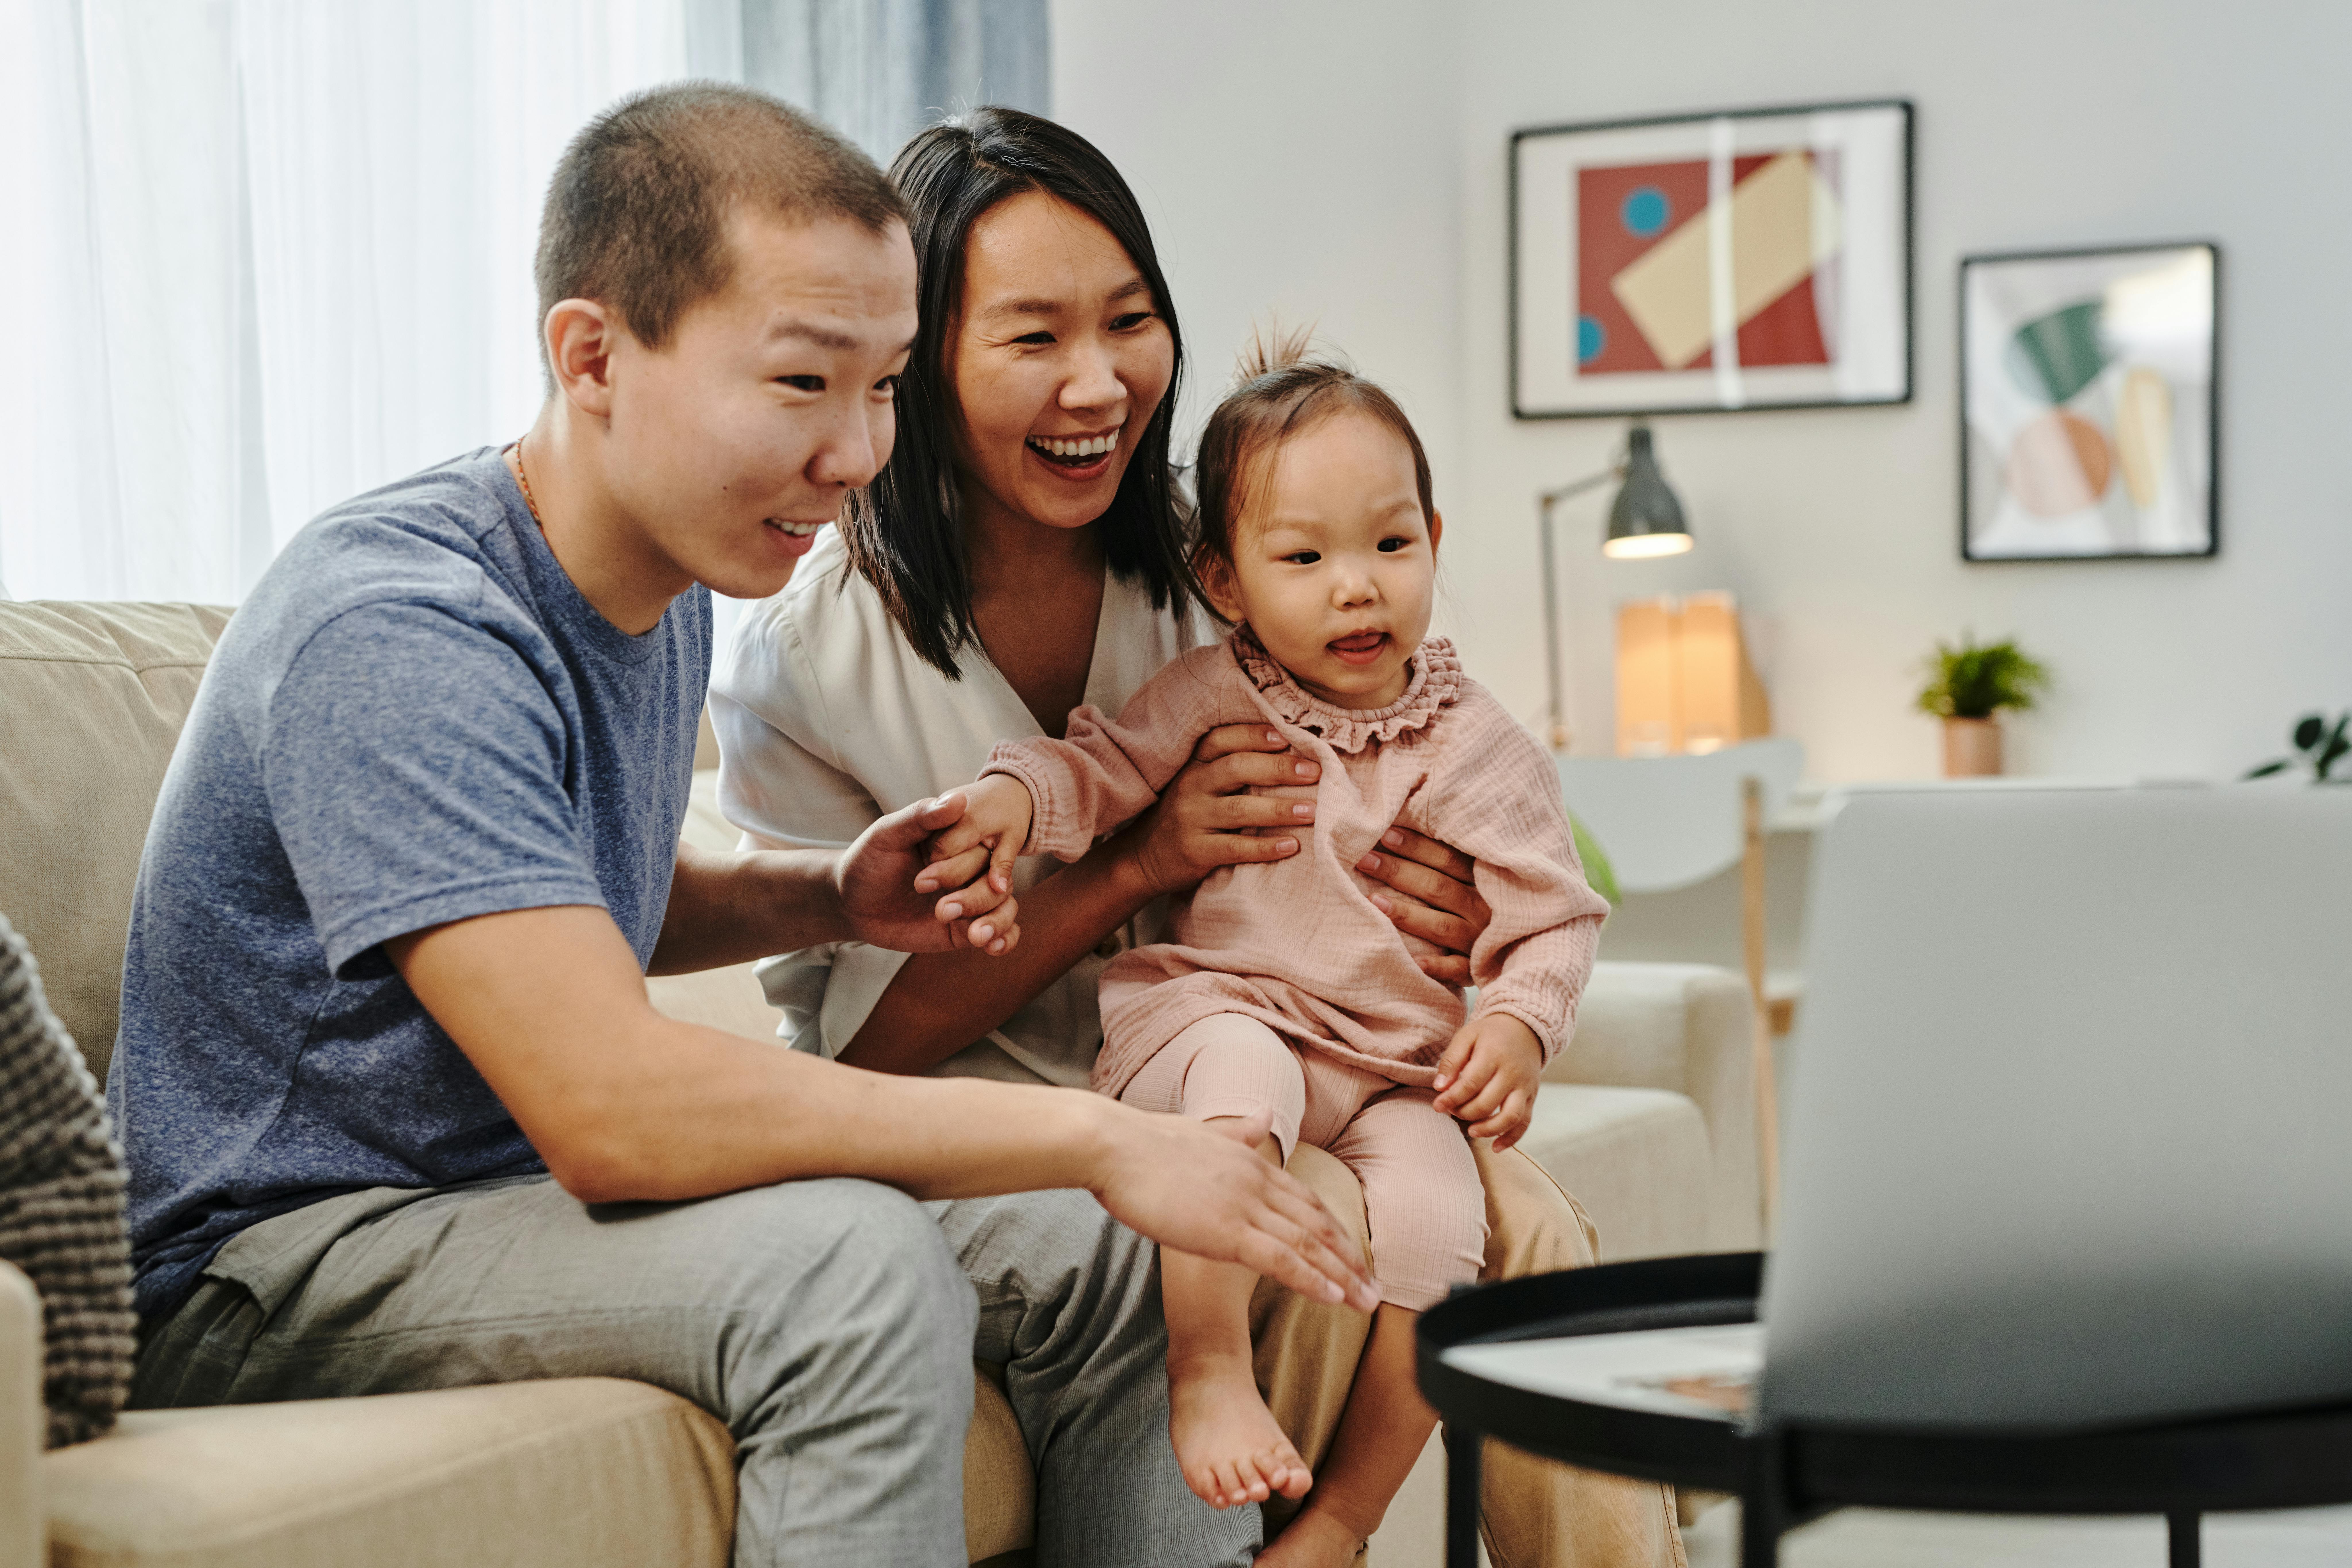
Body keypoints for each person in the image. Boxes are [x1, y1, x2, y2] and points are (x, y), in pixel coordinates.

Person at [107, 83, 1373, 1568]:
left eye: (886, 384)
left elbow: (556, 898)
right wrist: (1097, 1132)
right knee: (852, 1265)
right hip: (275, 1259)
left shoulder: (674, 576)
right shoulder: (400, 623)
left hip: (488, 1202)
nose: (857, 452)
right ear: (592, 355)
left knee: (1118, 1262)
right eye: (802, 383)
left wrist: (826, 892)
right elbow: (614, 1109)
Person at [711, 105, 1686, 1566]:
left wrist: (1437, 922)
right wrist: (1135, 860)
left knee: (1521, 1227)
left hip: (1305, 1056)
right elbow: (867, 1067)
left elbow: (1442, 793)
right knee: (1274, 1202)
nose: (1097, 382)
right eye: (1031, 336)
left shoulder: (1235, 555)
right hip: (1019, 1128)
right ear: (917, 359)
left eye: (1130, 321)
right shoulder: (816, 662)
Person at [924, 336, 1611, 1564]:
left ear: (1434, 540)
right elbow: (1093, 770)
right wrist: (1010, 805)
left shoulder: (1474, 743)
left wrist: (1513, 1021)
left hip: (1392, 1069)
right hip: (1213, 1019)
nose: (1357, 589)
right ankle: (1204, 1368)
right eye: (1303, 558)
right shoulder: (1209, 693)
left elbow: (1551, 913)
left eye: (1389, 546)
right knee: (1247, 1084)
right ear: (1226, 580)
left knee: (1442, 1236)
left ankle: (1342, 1515)